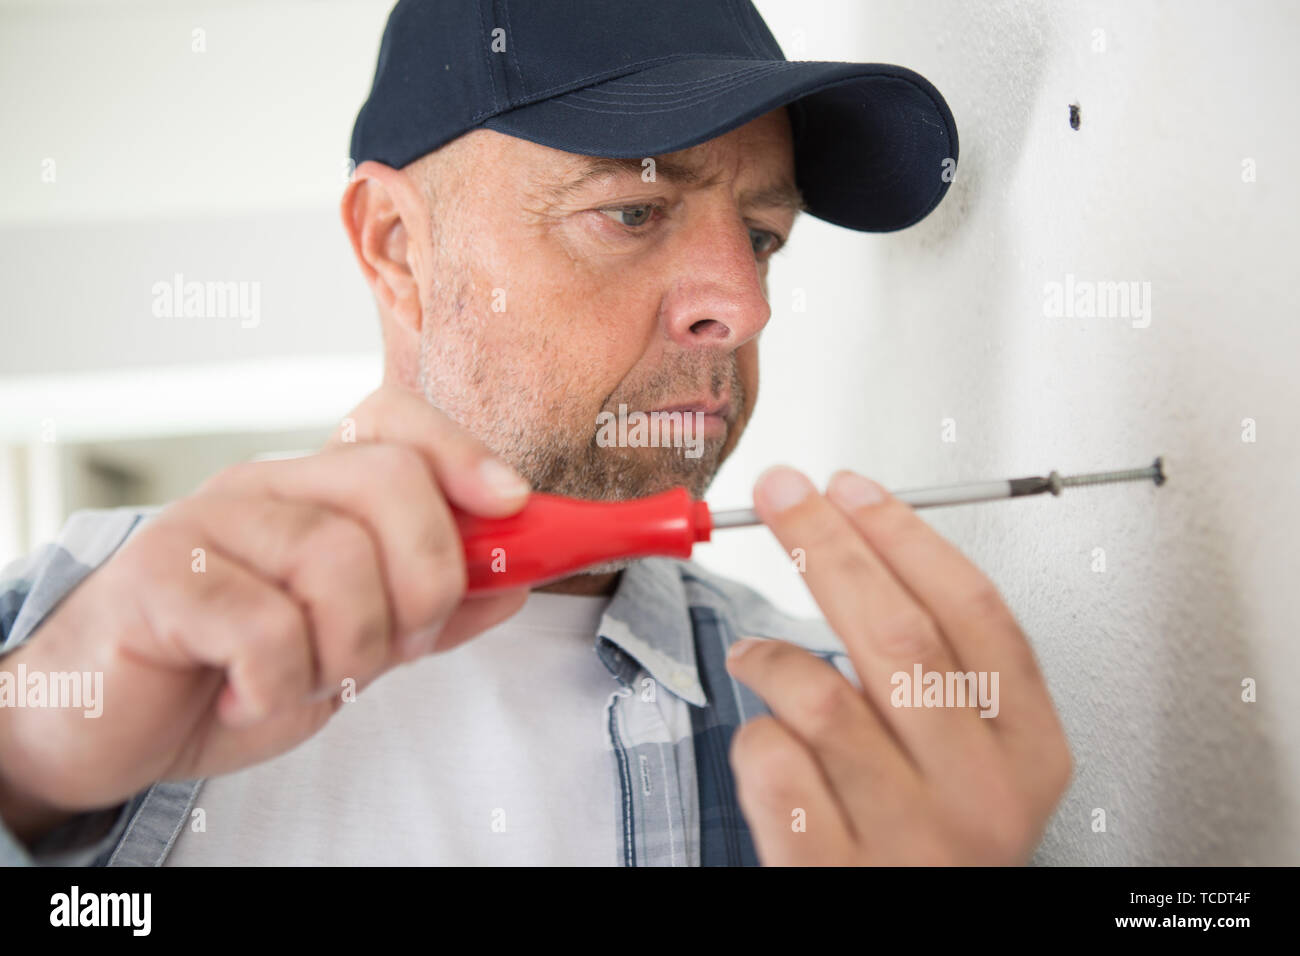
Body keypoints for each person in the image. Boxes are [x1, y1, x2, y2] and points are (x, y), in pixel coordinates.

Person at [0, 0, 1070, 866]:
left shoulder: (864, 745)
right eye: (635, 212)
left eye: (760, 236)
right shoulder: (76, 625)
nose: (742, 305)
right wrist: (26, 765)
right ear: (396, 249)